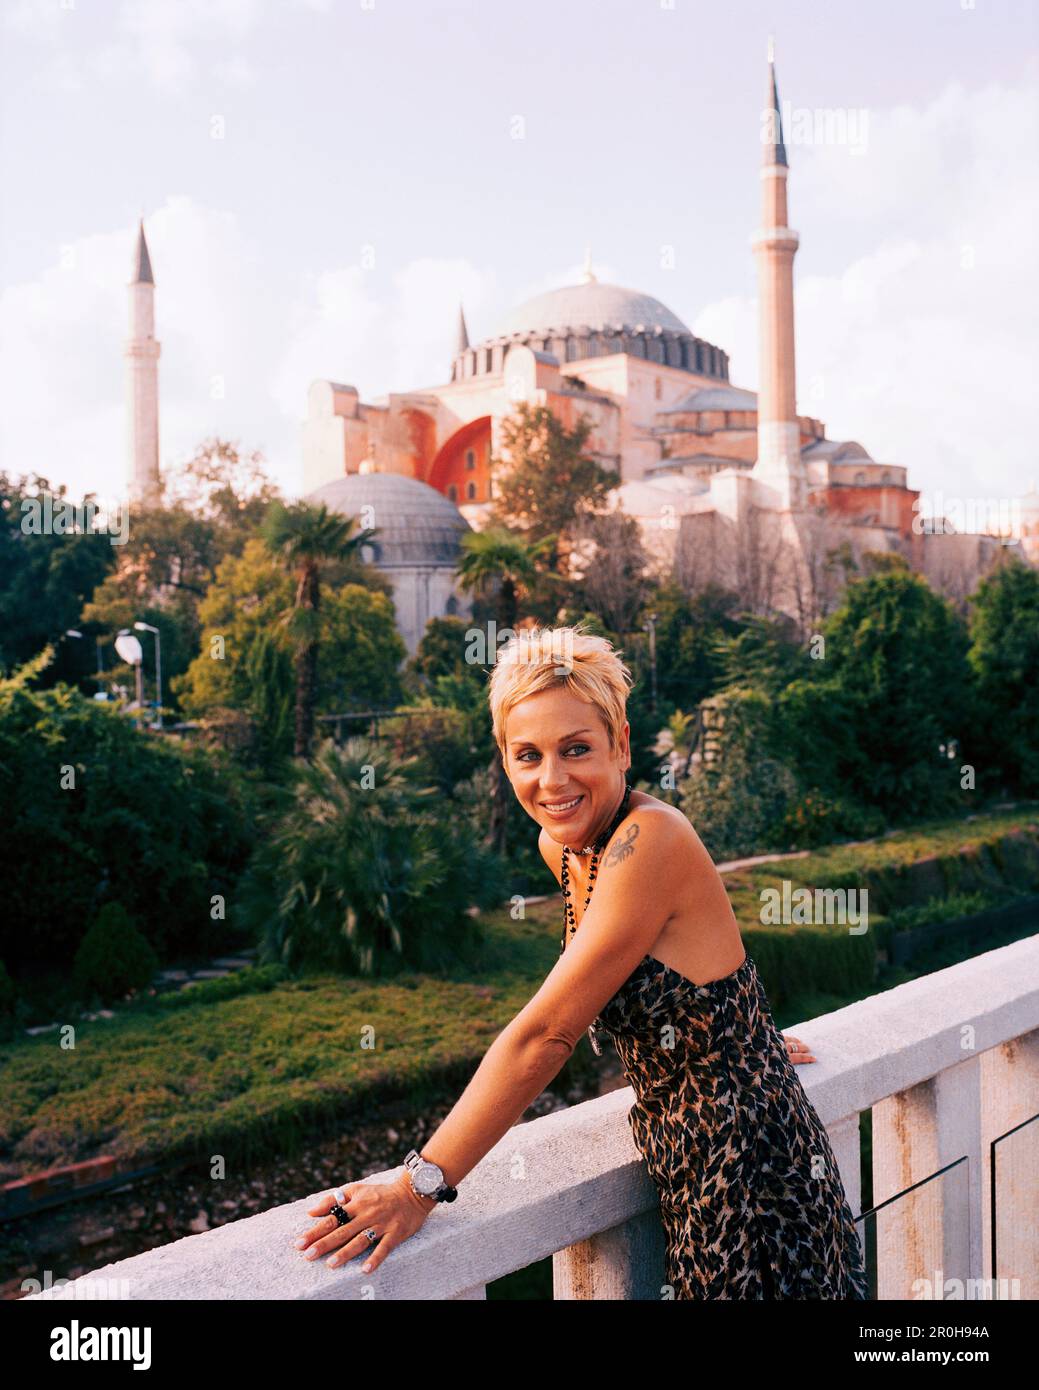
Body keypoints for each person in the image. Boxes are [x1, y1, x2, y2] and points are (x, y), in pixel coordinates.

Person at [294, 625, 869, 1299]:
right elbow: (676, 967)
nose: (551, 779)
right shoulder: (564, 848)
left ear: (621, 743)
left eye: (576, 749)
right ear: (503, 760)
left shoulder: (650, 837)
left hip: (750, 1180)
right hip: (693, 1165)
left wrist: (419, 1186)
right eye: (527, 755)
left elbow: (549, 1033)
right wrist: (744, 1037)